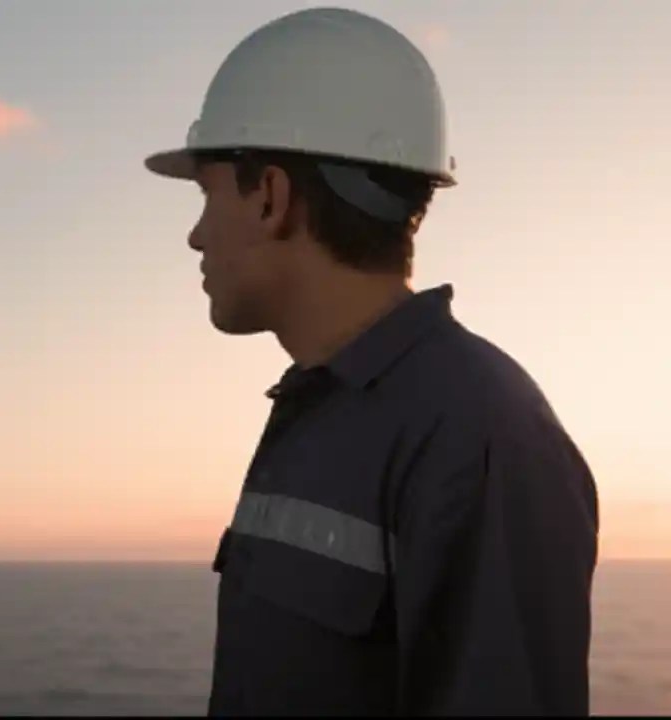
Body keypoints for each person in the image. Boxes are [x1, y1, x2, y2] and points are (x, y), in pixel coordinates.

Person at [143, 6, 599, 716]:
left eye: (208, 194)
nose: (196, 236)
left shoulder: (481, 437)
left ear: (270, 197)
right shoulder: (323, 408)